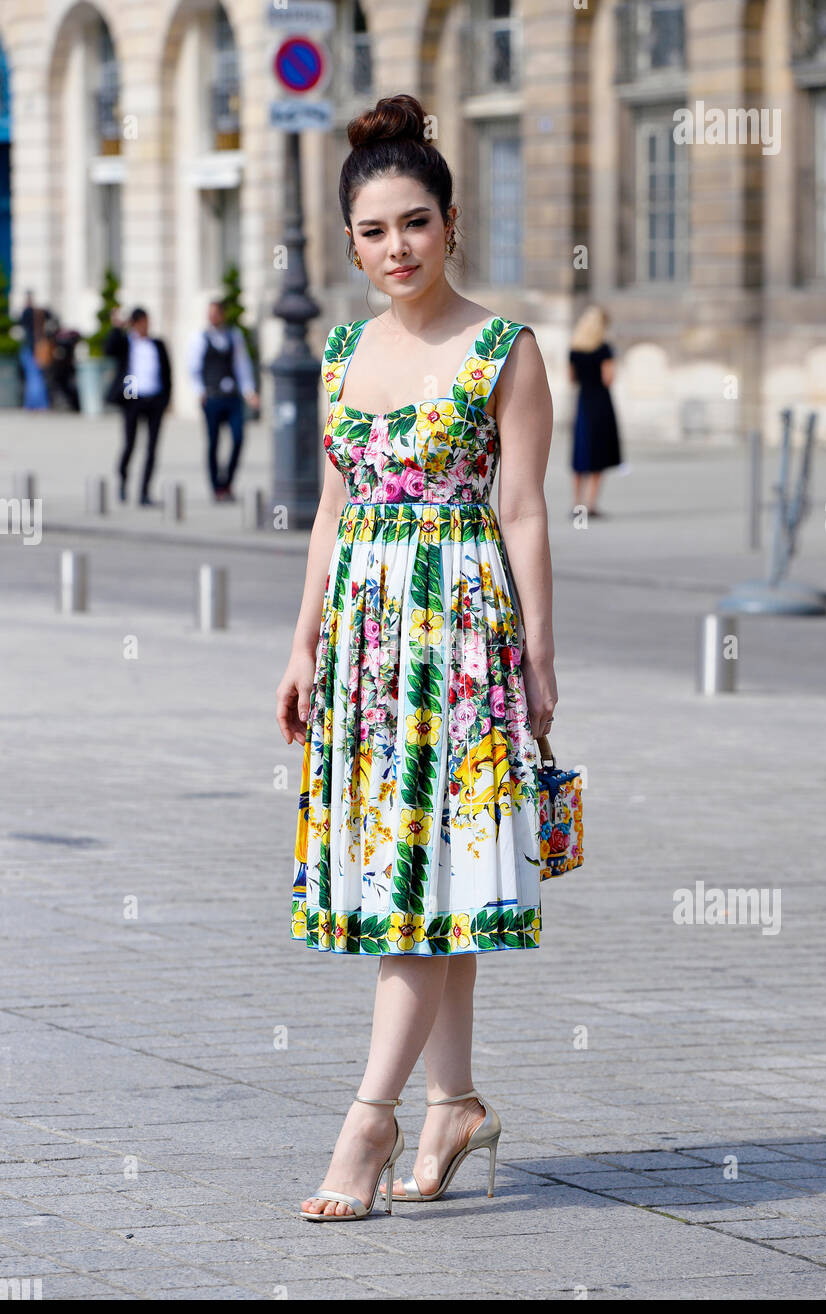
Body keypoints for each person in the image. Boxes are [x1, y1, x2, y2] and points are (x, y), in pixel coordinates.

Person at [275, 93, 557, 1222]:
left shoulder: (505, 348)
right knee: (430, 874)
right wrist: (300, 644)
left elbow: (526, 512)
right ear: (350, 241)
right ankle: (452, 1101)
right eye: (375, 230)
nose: (398, 248)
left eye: (416, 223)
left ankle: (368, 1119)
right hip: (361, 641)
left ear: (451, 223)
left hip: (464, 633)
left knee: (420, 884)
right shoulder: (341, 351)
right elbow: (331, 515)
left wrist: (538, 661)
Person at [188, 298, 259, 502]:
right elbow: (193, 367)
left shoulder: (233, 336)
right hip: (212, 396)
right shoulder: (199, 337)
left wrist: (249, 391)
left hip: (232, 397)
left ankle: (228, 481)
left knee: (238, 438)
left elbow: (241, 364)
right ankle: (216, 486)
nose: (212, 317)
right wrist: (199, 391)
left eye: (216, 313)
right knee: (213, 442)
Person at [104, 307, 172, 506]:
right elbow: (109, 349)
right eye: (142, 322)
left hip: (154, 398)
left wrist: (165, 399)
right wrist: (117, 327)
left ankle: (144, 491)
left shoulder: (157, 344)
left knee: (152, 447)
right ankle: (124, 482)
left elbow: (167, 373)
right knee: (130, 444)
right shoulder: (127, 342)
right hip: (132, 396)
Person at [568, 304, 621, 521]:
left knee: (581, 451)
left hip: (583, 401)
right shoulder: (603, 348)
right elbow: (608, 378)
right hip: (600, 402)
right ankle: (591, 504)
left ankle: (576, 503)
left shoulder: (574, 349)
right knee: (598, 453)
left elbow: (571, 379)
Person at [18, 291, 50, 410]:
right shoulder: (42, 312)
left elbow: (20, 324)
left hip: (31, 347)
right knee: (38, 376)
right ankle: (41, 403)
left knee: (33, 377)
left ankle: (34, 403)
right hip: (40, 345)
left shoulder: (27, 312)